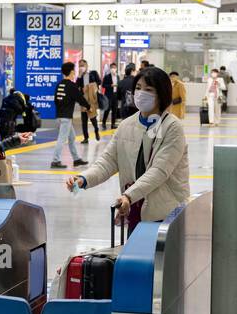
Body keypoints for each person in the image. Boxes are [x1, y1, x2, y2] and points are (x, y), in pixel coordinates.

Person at [65, 66, 190, 234]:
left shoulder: (172, 128)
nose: (141, 93)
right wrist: (83, 179)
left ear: (161, 94)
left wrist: (129, 195)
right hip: (135, 208)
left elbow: (159, 171)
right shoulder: (127, 125)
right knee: (135, 258)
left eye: (148, 89)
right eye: (138, 88)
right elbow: (108, 161)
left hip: (166, 213)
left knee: (161, 259)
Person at [51, 62, 88, 170]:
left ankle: (76, 159)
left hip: (59, 116)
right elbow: (80, 98)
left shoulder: (59, 84)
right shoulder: (71, 85)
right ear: (72, 72)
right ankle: (55, 160)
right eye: (74, 70)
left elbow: (55, 100)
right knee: (62, 139)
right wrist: (89, 107)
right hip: (66, 118)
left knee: (72, 137)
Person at [78, 60, 100, 143]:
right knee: (84, 120)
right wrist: (79, 76)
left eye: (83, 65)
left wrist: (90, 86)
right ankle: (86, 138)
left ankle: (96, 130)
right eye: (80, 65)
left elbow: (99, 82)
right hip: (83, 100)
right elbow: (77, 86)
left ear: (87, 65)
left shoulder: (93, 73)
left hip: (91, 99)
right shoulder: (80, 77)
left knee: (93, 118)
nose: (81, 67)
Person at [100, 62, 118, 129]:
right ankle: (104, 123)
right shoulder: (107, 76)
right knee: (107, 110)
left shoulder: (117, 76)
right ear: (110, 69)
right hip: (108, 95)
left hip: (115, 95)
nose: (113, 69)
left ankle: (113, 124)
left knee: (114, 110)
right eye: (112, 68)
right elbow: (103, 85)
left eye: (114, 68)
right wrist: (111, 85)